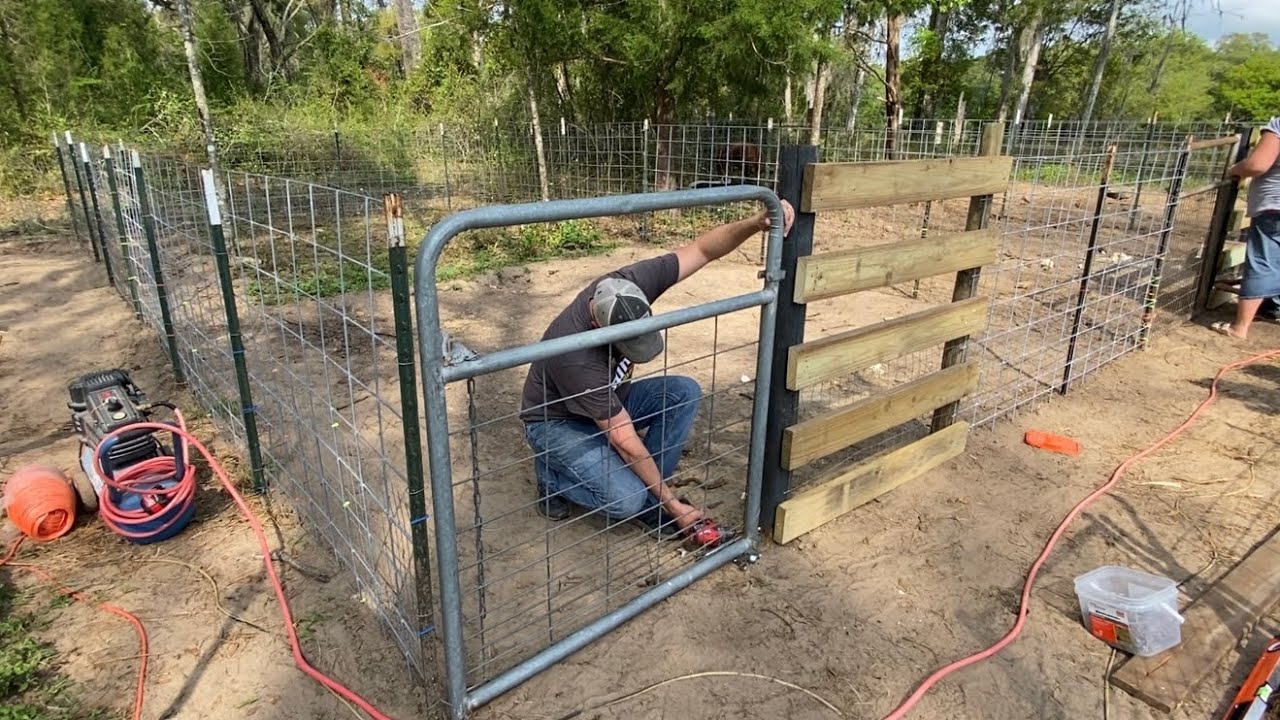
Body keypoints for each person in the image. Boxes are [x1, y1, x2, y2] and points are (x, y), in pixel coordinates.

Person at [519, 200, 796, 536]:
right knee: (626, 502)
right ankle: (555, 478)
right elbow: (625, 441)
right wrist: (674, 503)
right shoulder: (576, 356)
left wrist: (755, 223)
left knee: (682, 392)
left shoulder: (630, 285)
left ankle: (651, 502)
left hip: (608, 401)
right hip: (558, 421)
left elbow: (704, 249)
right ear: (598, 325)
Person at [1212, 117, 1280, 339]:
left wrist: (1236, 168)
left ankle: (1239, 327)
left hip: (1274, 207)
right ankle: (1271, 308)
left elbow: (1257, 164)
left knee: (1262, 261)